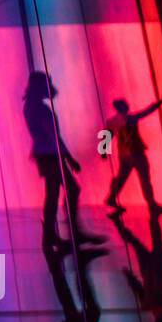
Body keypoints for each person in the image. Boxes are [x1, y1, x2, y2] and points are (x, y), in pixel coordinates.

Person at [23, 71, 105, 253]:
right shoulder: (39, 108)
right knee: (63, 191)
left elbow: (50, 135)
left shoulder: (31, 106)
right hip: (50, 154)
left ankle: (56, 233)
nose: (50, 85)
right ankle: (63, 232)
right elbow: (53, 136)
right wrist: (69, 158)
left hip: (45, 154)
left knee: (58, 192)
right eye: (47, 82)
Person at [104, 95, 162, 215]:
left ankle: (111, 198)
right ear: (123, 107)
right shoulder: (130, 118)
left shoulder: (112, 121)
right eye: (126, 104)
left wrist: (103, 152)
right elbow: (146, 112)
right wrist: (160, 102)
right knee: (145, 179)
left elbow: (107, 137)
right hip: (136, 152)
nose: (129, 105)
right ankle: (152, 205)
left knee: (121, 178)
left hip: (123, 154)